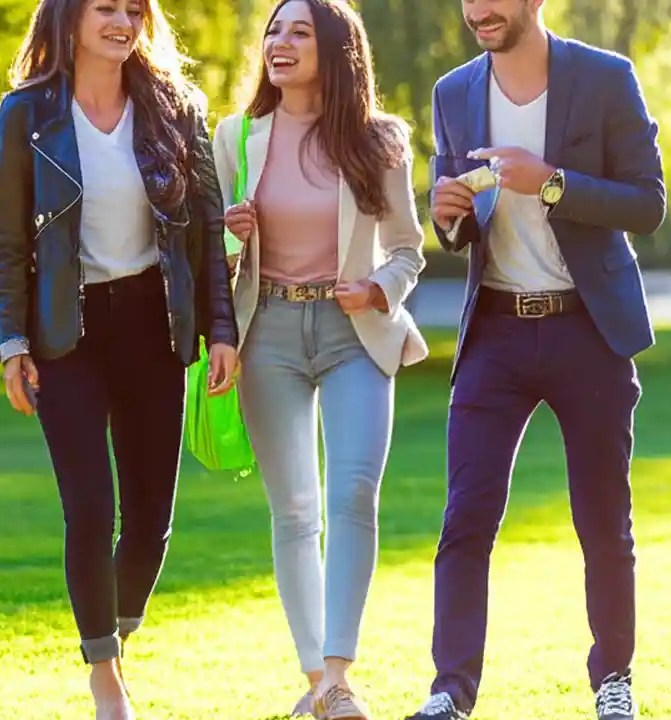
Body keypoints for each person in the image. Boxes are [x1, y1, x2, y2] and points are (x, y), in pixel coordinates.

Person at [406, 1, 665, 719]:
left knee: (603, 519)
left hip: (589, 329)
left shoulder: (605, 78)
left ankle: (614, 681)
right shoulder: (454, 93)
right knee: (466, 518)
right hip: (495, 332)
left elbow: (648, 204)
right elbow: (457, 222)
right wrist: (447, 213)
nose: (477, 10)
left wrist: (550, 182)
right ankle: (450, 691)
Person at [0, 1, 238, 718]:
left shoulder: (176, 108)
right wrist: (12, 342)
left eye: (134, 8)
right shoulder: (27, 114)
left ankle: (114, 634)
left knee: (151, 521)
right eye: (106, 7)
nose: (122, 20)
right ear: (69, 17)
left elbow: (208, 230)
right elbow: (7, 239)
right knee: (91, 510)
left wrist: (221, 329)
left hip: (154, 328)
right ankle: (105, 677)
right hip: (66, 331)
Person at [213, 1, 428, 717]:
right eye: (274, 30)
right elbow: (213, 259)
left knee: (353, 494)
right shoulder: (237, 136)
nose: (281, 42)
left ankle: (339, 674)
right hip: (268, 327)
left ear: (336, 49)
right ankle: (316, 682)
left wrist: (378, 290)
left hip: (353, 333)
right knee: (296, 509)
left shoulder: (380, 140)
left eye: (299, 30)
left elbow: (407, 250)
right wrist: (231, 236)